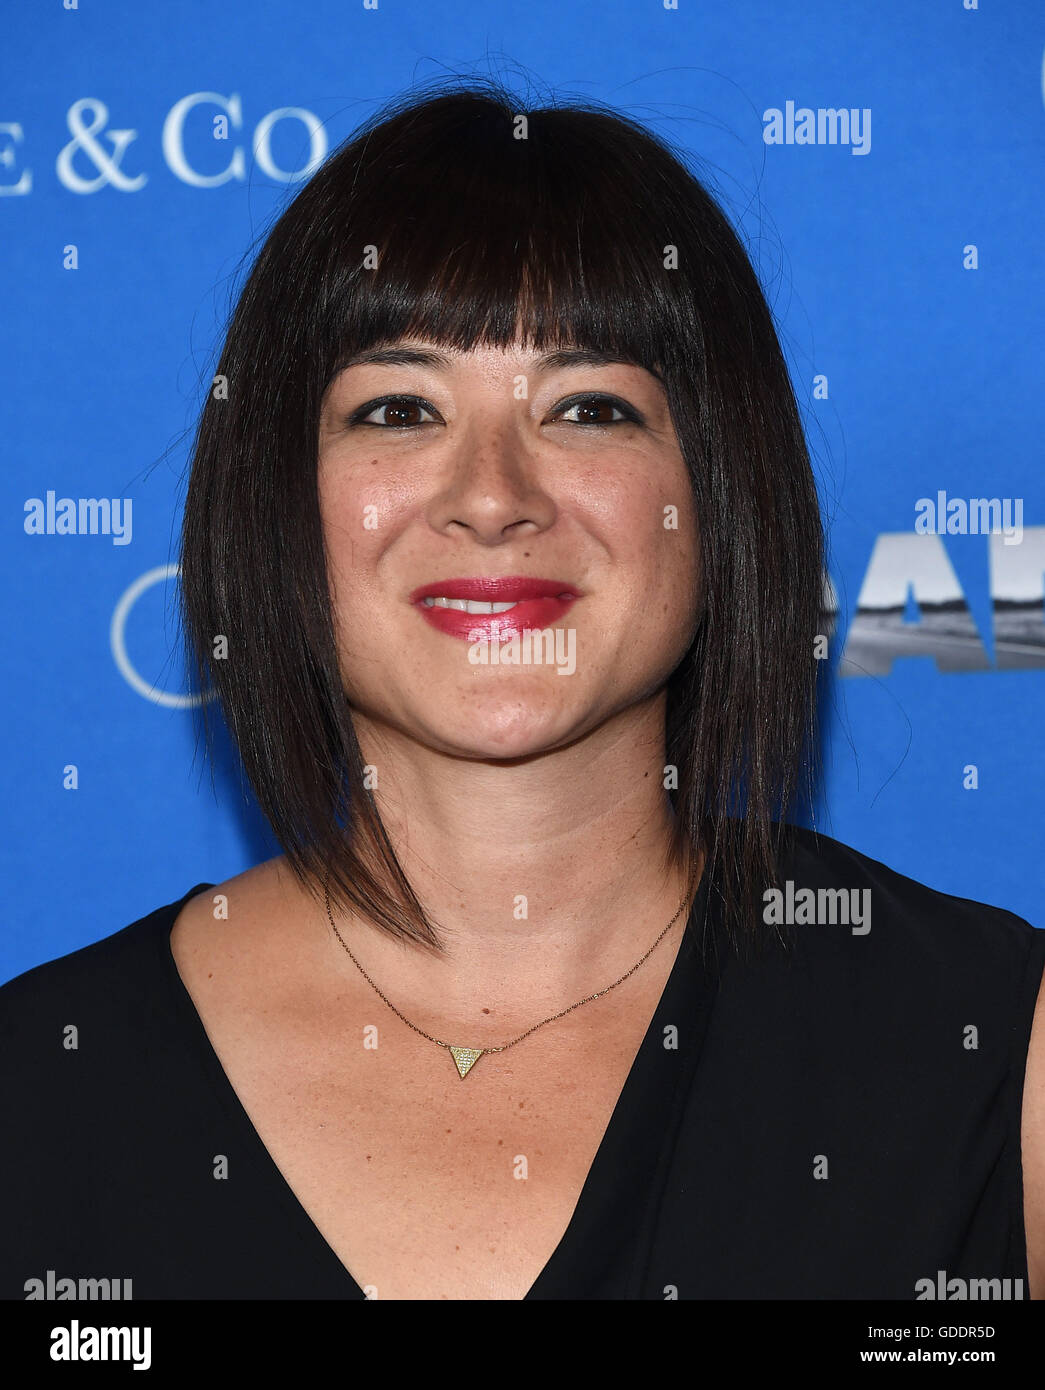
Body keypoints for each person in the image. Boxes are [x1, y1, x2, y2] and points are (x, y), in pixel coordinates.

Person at [2, 77, 1043, 1302]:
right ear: (276, 500)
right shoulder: (41, 1090)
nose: (493, 495)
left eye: (588, 408)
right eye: (399, 408)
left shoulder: (992, 1053)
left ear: (718, 496)